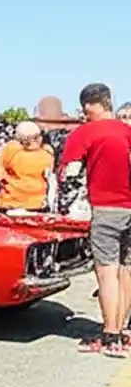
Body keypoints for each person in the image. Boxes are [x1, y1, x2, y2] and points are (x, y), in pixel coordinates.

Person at [59, 83, 131, 356]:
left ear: (89, 105)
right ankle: (124, 329)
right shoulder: (128, 131)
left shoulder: (85, 133)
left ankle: (110, 334)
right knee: (127, 269)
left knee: (107, 271)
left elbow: (70, 175)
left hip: (107, 208)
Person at [0, 121, 56, 212]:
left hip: (9, 203)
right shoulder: (47, 153)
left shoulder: (10, 149)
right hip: (37, 204)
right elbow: (50, 177)